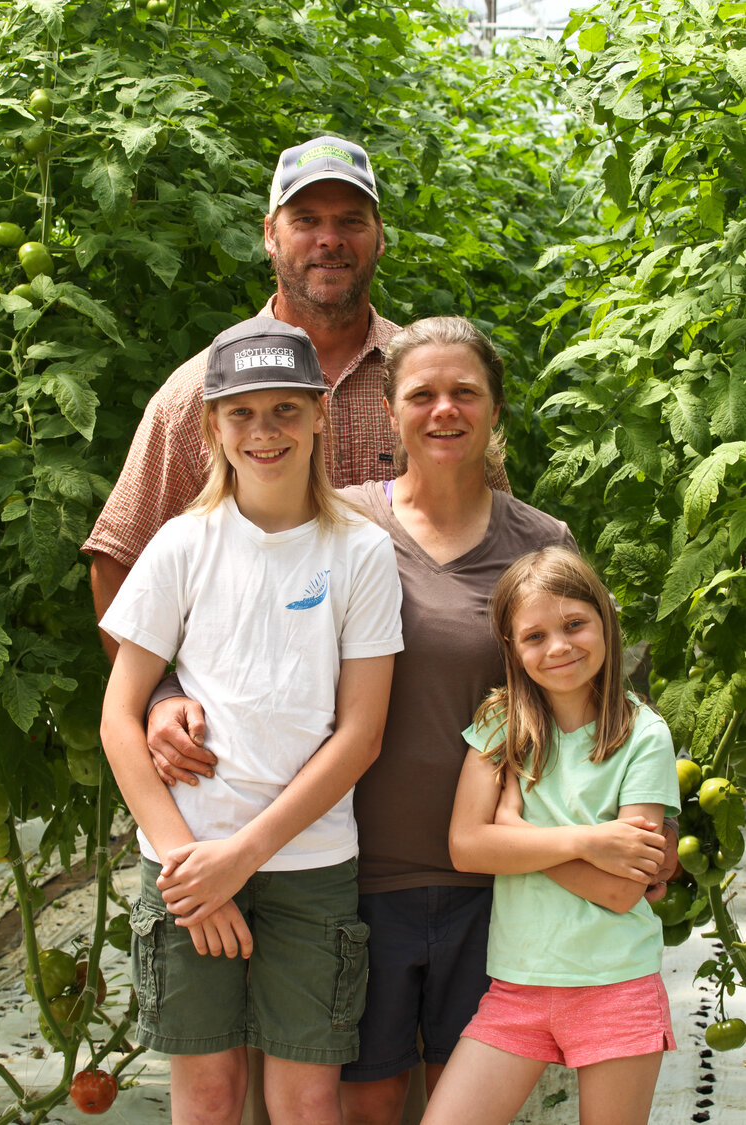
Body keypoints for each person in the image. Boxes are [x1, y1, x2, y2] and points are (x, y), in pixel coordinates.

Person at [147, 318, 678, 1125]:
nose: (444, 410)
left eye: (465, 392)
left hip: (501, 881)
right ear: (387, 411)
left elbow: (586, 695)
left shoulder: (540, 543)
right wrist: (163, 698)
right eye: (421, 394)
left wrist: (638, 815)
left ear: (495, 407)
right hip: (361, 871)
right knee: (362, 1097)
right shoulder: (346, 530)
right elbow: (235, 628)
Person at [98, 317, 404, 1125]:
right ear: (213, 428)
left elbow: (361, 733)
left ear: (318, 417)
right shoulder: (181, 546)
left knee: (306, 1097)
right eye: (241, 413)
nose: (264, 432)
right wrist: (190, 863)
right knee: (206, 1094)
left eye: (284, 410)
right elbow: (120, 719)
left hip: (311, 865)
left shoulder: (361, 553)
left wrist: (245, 855)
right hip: (186, 866)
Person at [82, 133, 513, 663]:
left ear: (379, 237)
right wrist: (158, 698)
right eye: (306, 220)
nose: (329, 239)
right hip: (253, 725)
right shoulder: (202, 391)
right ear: (270, 235)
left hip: (421, 721)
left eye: (351, 220)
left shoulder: (424, 387)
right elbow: (118, 558)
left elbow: (502, 543)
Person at [421, 546, 680, 1125]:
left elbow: (621, 891)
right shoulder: (500, 724)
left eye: (574, 624)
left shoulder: (644, 735)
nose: (559, 647)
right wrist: (587, 842)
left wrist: (516, 830)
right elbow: (467, 847)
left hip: (616, 985)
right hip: (518, 987)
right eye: (534, 636)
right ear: (511, 650)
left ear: (605, 624)